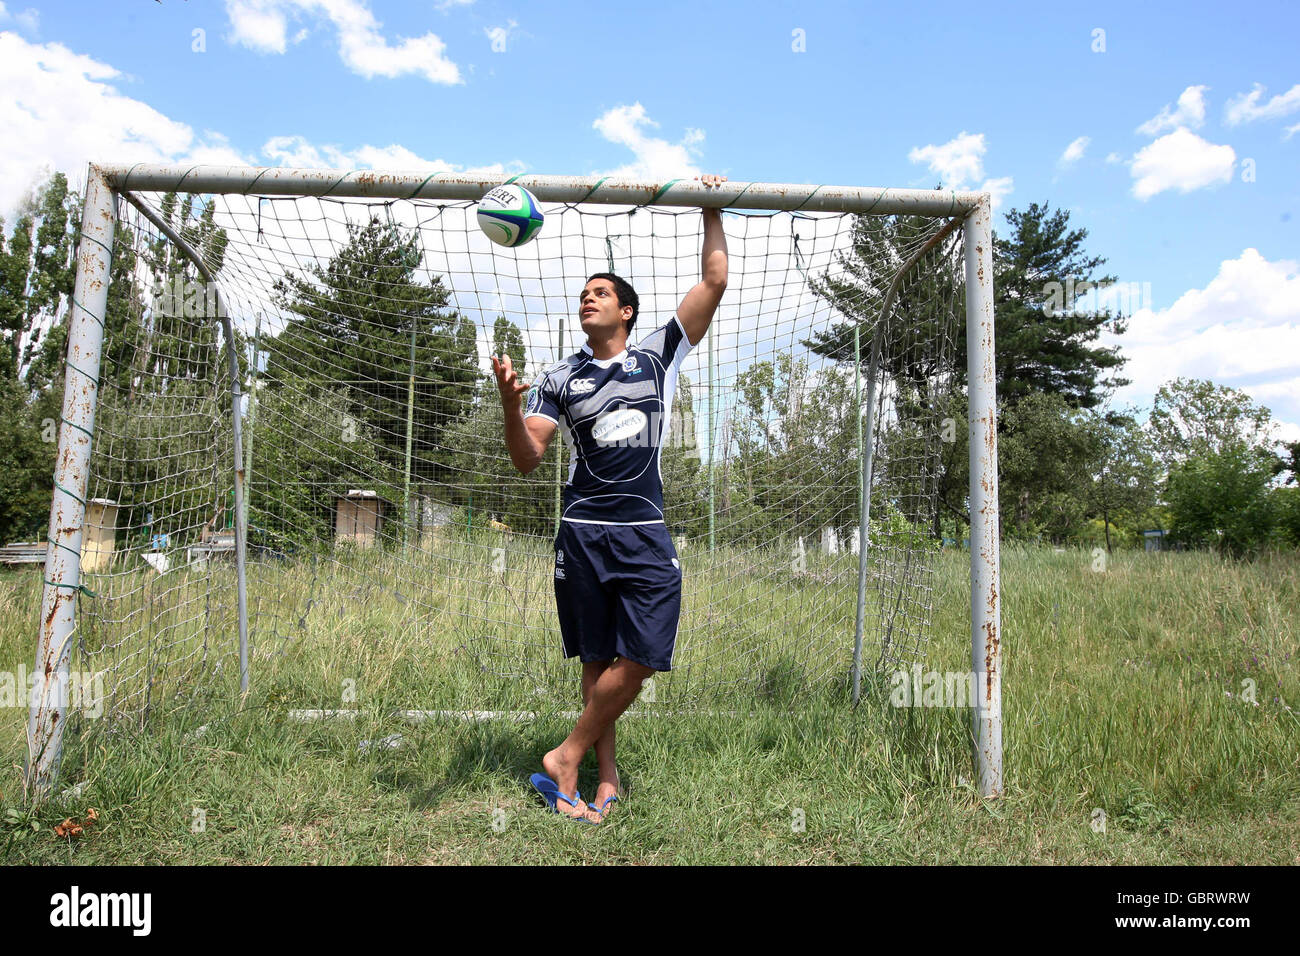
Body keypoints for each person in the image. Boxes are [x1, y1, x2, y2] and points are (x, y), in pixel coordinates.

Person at [491, 175, 728, 822]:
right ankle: (602, 778)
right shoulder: (558, 377)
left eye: (600, 293)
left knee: (644, 653)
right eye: (582, 295)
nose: (587, 300)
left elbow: (713, 281)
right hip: (581, 532)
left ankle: (565, 753)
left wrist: (710, 207)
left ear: (626, 311)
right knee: (596, 659)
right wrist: (510, 406)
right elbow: (526, 459)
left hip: (644, 530)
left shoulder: (658, 357)